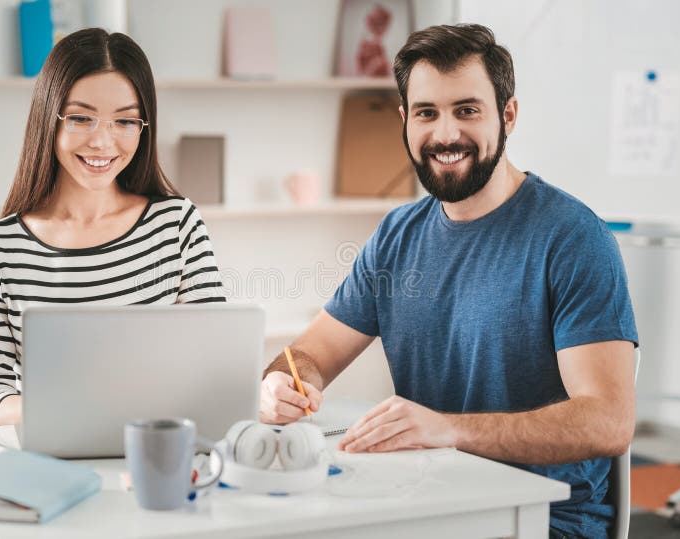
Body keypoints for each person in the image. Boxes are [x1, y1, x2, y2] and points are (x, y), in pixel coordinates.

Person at [259, 24, 637, 539]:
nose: (444, 134)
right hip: (427, 502)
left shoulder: (572, 237)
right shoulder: (396, 235)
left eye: (467, 110)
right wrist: (283, 383)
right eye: (426, 113)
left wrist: (448, 429)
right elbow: (310, 354)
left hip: (544, 520)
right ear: (405, 121)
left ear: (508, 115)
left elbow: (607, 422)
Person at [0, 28, 225, 428]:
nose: (103, 142)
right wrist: (80, 408)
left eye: (124, 121)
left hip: (156, 447)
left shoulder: (176, 225)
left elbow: (215, 364)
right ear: (48, 118)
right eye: (81, 118)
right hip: (52, 460)